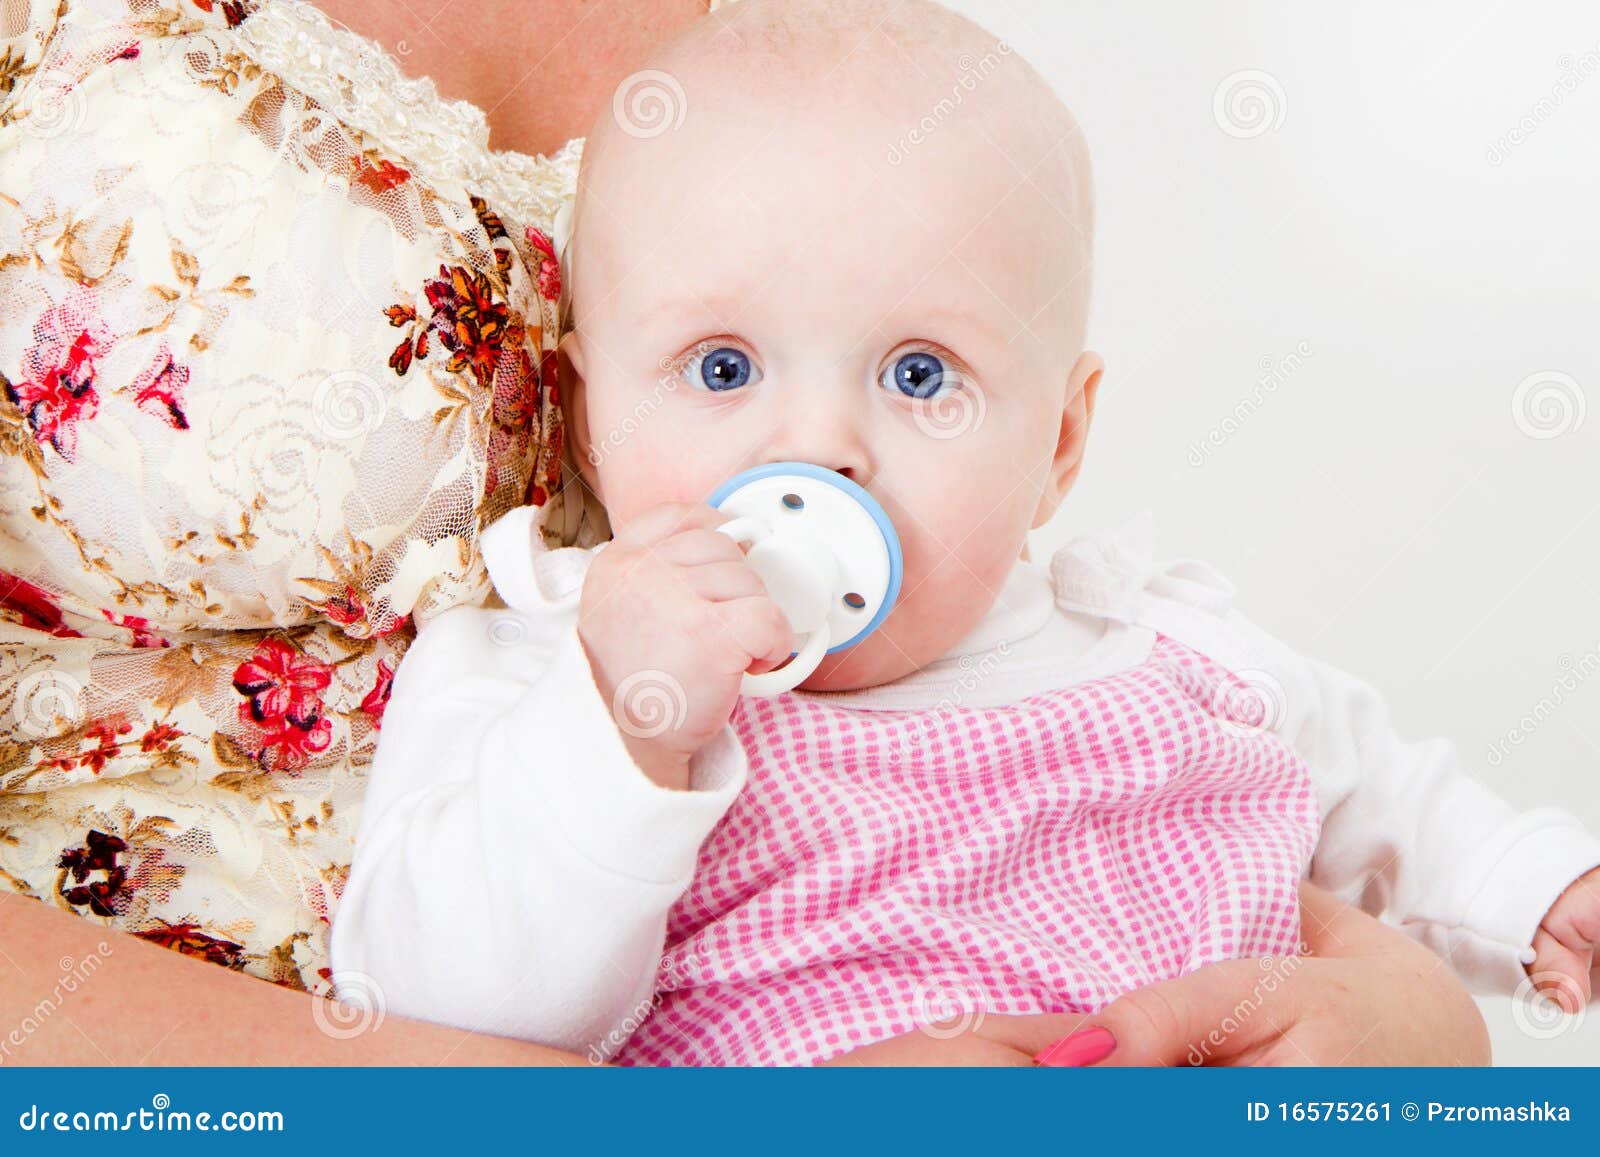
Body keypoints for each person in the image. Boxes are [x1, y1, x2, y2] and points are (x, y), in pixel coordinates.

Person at [329, 0, 1593, 1066]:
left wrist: (1541, 889)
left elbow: (1394, 809)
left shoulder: (1166, 650)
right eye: (721, 367)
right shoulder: (543, 677)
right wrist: (626, 727)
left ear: (1056, 446)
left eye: (920, 374)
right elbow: (444, 1024)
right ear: (583, 414)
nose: (818, 445)